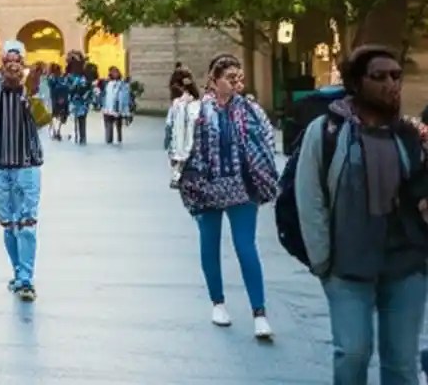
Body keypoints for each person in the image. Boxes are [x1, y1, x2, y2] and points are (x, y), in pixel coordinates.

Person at [296, 45, 428, 384]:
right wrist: (322, 259)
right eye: (379, 77)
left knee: (401, 364)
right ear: (357, 83)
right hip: (347, 264)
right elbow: (309, 198)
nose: (391, 84)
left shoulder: (409, 135)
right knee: (352, 353)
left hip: (405, 264)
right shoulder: (326, 132)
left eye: (396, 76)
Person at [178, 54, 279, 340]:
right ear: (214, 80)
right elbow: (183, 146)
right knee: (209, 244)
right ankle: (218, 303)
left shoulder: (250, 110)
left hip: (242, 186)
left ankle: (259, 312)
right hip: (207, 186)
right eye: (230, 78)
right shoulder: (197, 111)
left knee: (246, 246)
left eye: (239, 78)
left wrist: (263, 174)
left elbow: (267, 143)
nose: (236, 83)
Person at [0, 48, 44, 301]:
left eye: (17, 62)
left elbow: (43, 117)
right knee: (8, 225)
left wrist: (29, 94)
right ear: (1, 64)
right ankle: (18, 271)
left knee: (27, 223)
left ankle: (26, 278)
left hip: (26, 164)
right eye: (8, 61)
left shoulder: (31, 89)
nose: (13, 66)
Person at [164, 67, 202, 188]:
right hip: (190, 138)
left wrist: (167, 138)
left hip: (179, 138)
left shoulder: (176, 103)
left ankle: (178, 176)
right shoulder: (196, 103)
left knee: (179, 157)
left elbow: (169, 123)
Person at [100, 66, 131, 144]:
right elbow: (103, 95)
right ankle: (109, 140)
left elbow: (125, 96)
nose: (115, 74)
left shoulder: (122, 84)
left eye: (116, 72)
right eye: (113, 72)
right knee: (108, 124)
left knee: (118, 125)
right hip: (107, 108)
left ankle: (119, 139)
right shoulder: (107, 83)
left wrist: (126, 109)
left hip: (118, 107)